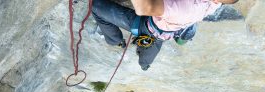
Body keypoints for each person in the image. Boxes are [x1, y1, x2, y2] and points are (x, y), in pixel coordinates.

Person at [92, 0, 239, 70]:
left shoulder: (187, 8)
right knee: (151, 47)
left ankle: (116, 42)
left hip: (151, 28)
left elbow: (145, 7)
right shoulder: (216, 3)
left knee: (95, 7)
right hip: (173, 25)